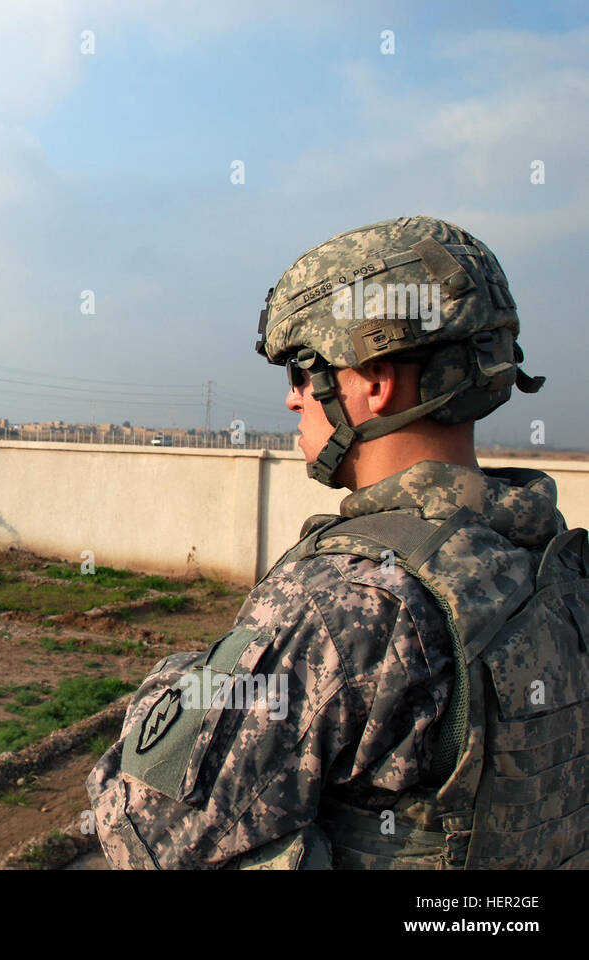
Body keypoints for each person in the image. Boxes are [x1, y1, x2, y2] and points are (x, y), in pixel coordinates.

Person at [87, 216, 589, 869]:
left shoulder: (350, 596)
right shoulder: (551, 563)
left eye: (303, 370)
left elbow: (146, 828)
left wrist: (177, 681)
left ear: (375, 380)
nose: (294, 400)